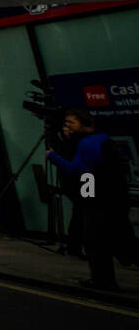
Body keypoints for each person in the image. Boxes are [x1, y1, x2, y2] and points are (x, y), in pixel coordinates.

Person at [47, 109, 135, 290]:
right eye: (66, 123)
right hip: (110, 198)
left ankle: (103, 281)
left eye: (71, 123)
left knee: (99, 242)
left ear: (86, 124)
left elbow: (80, 172)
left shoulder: (89, 144)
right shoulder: (100, 139)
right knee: (116, 240)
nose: (67, 127)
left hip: (102, 201)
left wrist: (53, 157)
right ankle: (104, 280)